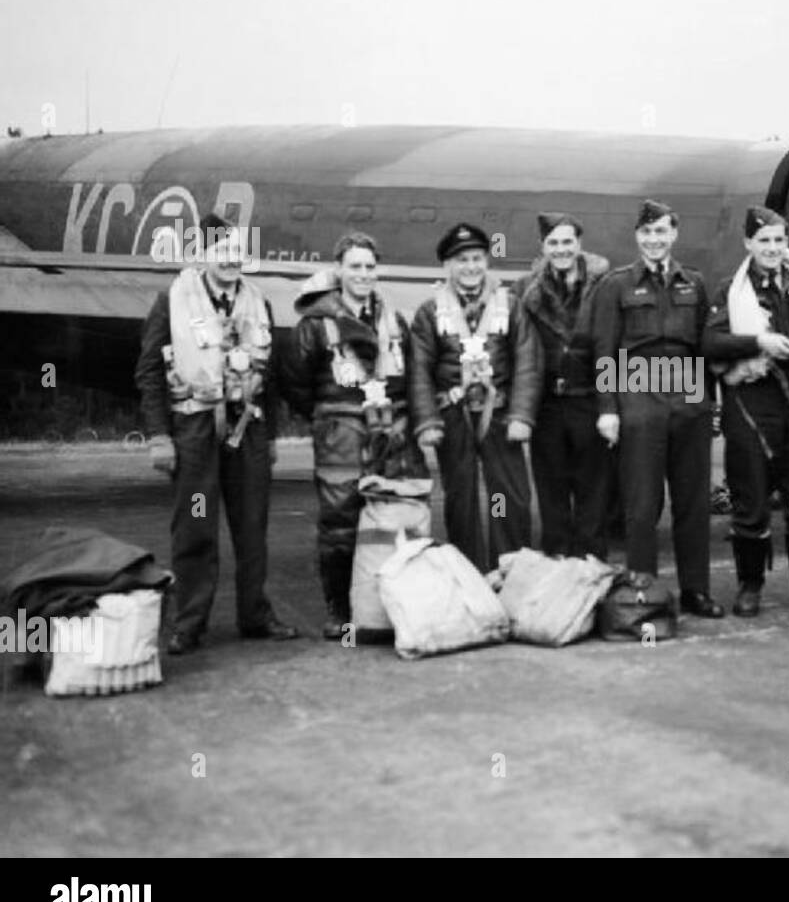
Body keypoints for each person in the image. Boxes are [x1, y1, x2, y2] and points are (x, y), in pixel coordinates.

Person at [135, 213, 299, 654]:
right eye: (220, 251)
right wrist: (158, 436)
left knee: (252, 528)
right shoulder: (170, 300)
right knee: (195, 528)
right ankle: (189, 624)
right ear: (201, 254)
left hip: (248, 430)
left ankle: (256, 616)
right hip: (195, 432)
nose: (230, 259)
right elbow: (149, 373)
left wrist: (273, 438)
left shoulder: (258, 301)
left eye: (235, 251)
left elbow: (274, 375)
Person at [282, 231, 421, 639]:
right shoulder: (314, 324)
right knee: (340, 522)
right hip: (339, 431)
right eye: (354, 266)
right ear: (339, 270)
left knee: (393, 516)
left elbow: (410, 376)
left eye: (369, 267)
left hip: (390, 430)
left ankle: (386, 606)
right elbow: (294, 382)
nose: (362, 274)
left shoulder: (394, 321)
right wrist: (328, 416)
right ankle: (340, 610)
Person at [703, 206, 789, 617]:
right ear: (749, 244)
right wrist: (758, 341)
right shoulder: (732, 291)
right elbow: (709, 344)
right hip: (752, 410)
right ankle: (750, 586)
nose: (773, 248)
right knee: (751, 502)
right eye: (764, 241)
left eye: (779, 240)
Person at [590, 199, 722, 617]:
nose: (654, 240)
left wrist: (708, 402)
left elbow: (705, 346)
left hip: (689, 402)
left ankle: (696, 590)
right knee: (642, 505)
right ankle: (642, 589)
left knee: (693, 502)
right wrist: (608, 408)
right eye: (647, 233)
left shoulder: (694, 284)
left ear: (674, 234)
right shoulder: (616, 285)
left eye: (661, 231)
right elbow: (604, 350)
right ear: (637, 237)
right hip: (639, 399)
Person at [409, 222, 541, 572]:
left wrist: (521, 417)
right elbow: (419, 369)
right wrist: (427, 422)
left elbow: (527, 361)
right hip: (453, 416)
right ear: (447, 266)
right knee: (461, 498)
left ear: (487, 261)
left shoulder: (510, 306)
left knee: (504, 496)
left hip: (499, 418)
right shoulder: (429, 312)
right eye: (462, 259)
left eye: (477, 258)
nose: (471, 267)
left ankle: (508, 568)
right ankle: (469, 571)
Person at [517, 212, 613, 559]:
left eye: (567, 242)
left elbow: (611, 348)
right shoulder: (525, 290)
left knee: (593, 492)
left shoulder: (604, 286)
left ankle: (592, 564)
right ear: (543, 248)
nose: (561, 249)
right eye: (553, 243)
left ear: (579, 244)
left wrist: (610, 407)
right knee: (551, 491)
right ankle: (556, 561)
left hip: (589, 400)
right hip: (548, 404)